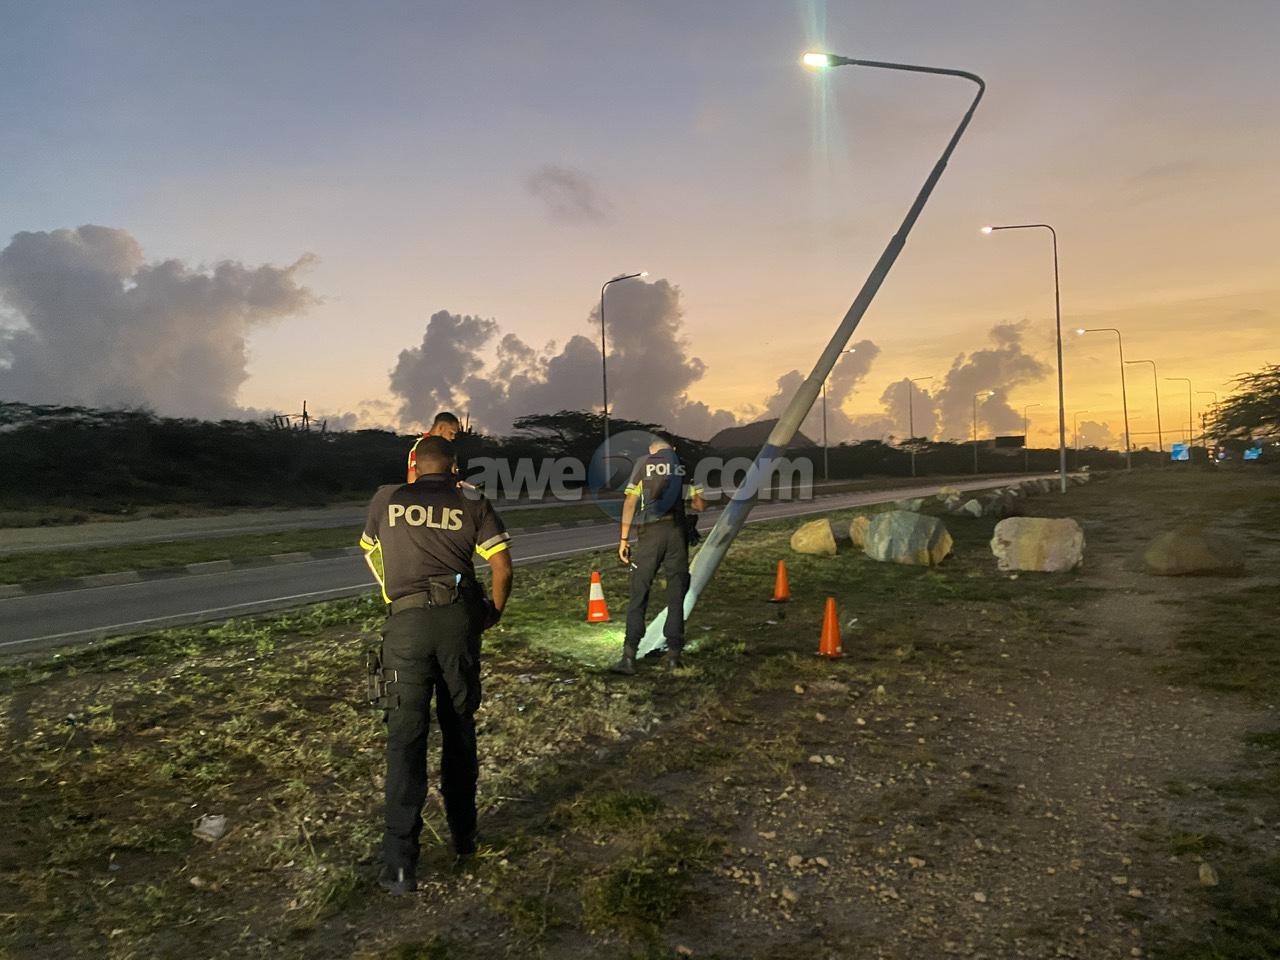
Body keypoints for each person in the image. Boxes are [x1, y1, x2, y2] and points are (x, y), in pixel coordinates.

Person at [359, 435, 513, 895]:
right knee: (458, 730)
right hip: (456, 624)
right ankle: (464, 839)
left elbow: (369, 550)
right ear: (453, 467)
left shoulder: (386, 499)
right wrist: (489, 615)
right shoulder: (472, 502)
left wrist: (396, 592)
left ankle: (401, 866)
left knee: (404, 742)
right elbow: (502, 568)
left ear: (414, 466)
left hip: (405, 627)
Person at [613, 437, 705, 675]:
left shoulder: (643, 463)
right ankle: (674, 656)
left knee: (640, 591)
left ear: (651, 450)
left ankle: (629, 656)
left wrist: (623, 539)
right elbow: (699, 505)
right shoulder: (683, 465)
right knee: (676, 593)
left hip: (650, 533)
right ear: (672, 450)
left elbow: (630, 502)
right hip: (676, 533)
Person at [406, 411, 463, 482]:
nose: (453, 437)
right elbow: (412, 481)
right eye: (451, 433)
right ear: (441, 428)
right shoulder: (421, 447)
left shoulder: (448, 447)